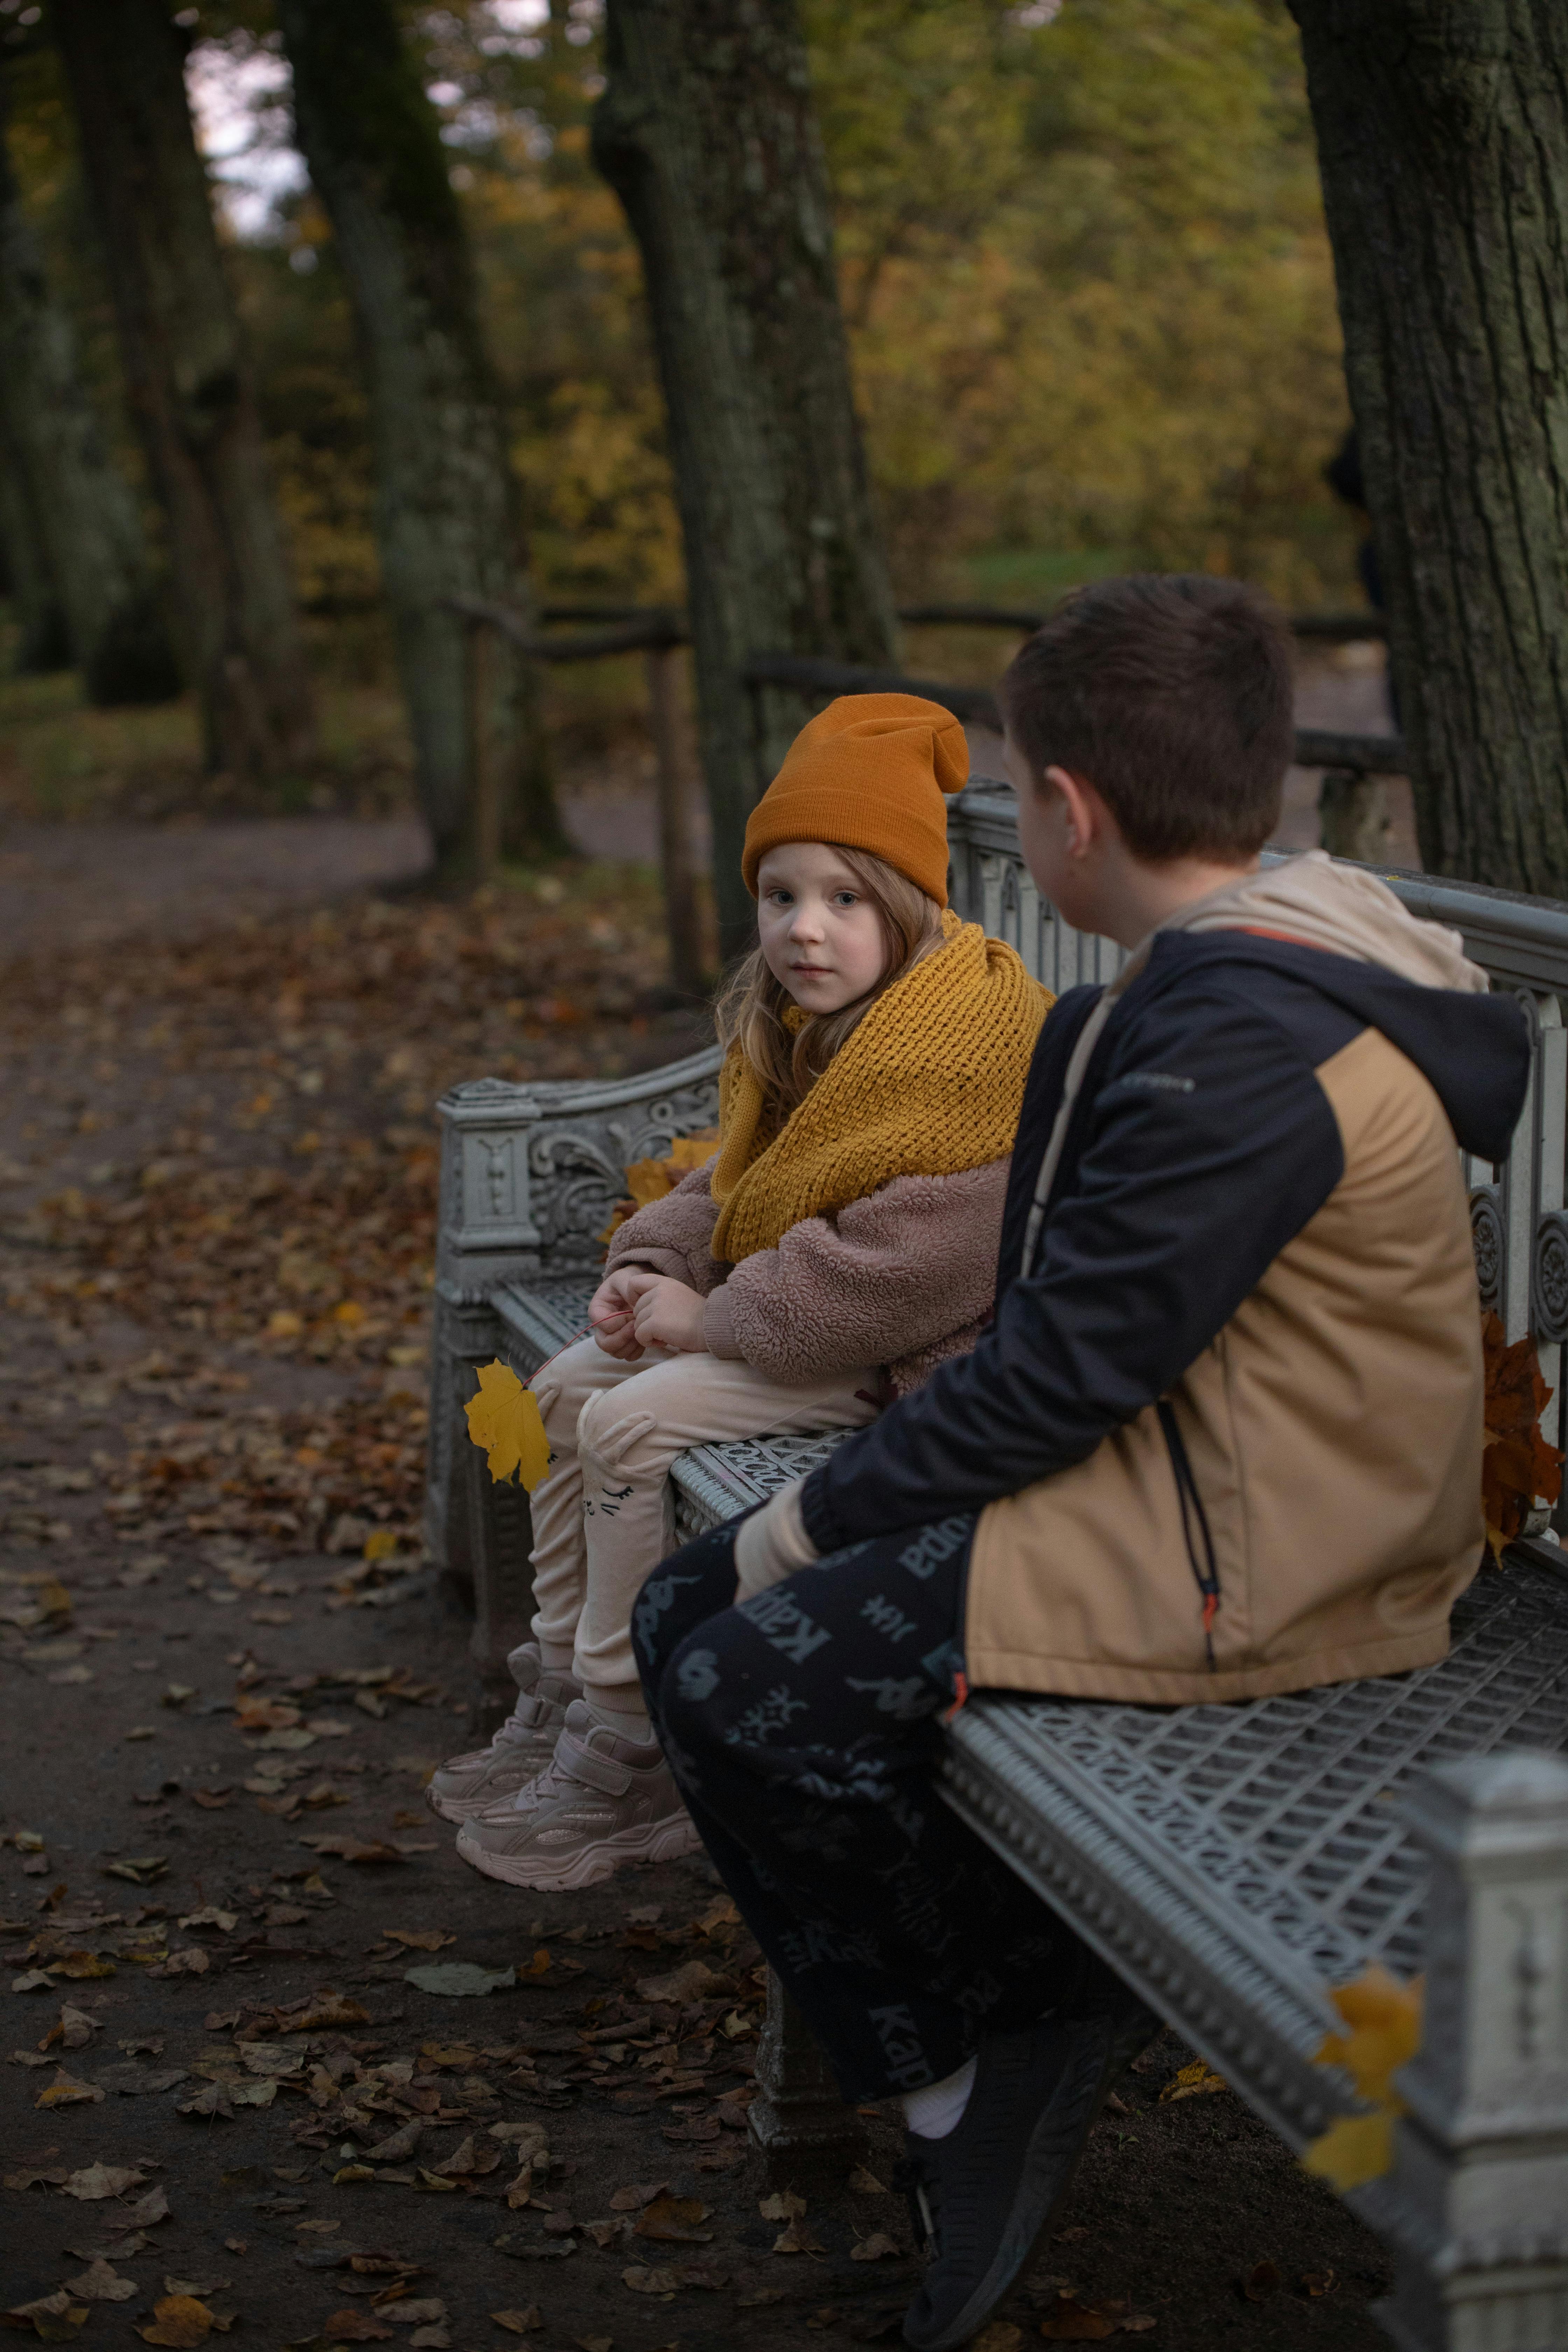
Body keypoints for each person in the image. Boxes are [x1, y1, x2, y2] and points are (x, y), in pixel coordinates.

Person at [630, 574, 1531, 2352]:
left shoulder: (1239, 1042)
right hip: (1195, 1474)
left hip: (1267, 1549)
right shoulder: (1236, 973)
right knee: (690, 1614)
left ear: (1067, 812)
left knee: (736, 1669)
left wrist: (797, 1525)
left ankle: (988, 2067)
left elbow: (1057, 1381)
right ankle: (1010, 2027)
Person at [427, 691, 1052, 1893]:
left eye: (845, 898)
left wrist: (707, 1321)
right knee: (564, 1387)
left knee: (627, 1419)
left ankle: (629, 1739)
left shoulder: (967, 1045)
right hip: (811, 1322)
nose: (804, 930)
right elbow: (742, 1181)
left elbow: (913, 1264)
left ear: (912, 905)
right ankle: (565, 1678)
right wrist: (650, 1269)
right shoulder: (814, 1024)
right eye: (781, 897)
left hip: (911, 1360)